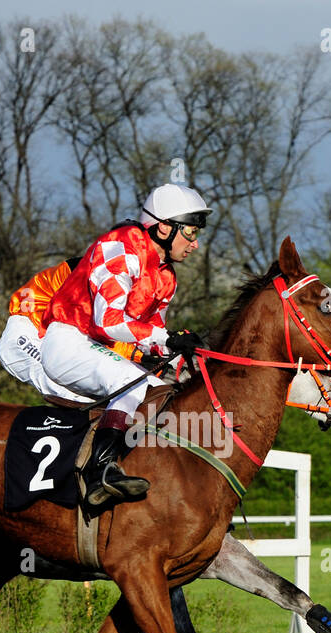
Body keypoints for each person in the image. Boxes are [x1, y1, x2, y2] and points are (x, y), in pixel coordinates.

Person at [40, 183, 211, 505]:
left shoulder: (166, 276)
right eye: (190, 233)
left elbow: (151, 334)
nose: (196, 244)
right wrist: (164, 338)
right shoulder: (119, 248)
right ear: (163, 227)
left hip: (96, 348)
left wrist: (185, 357)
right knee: (132, 385)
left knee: (167, 390)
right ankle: (99, 473)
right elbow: (110, 322)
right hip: (68, 341)